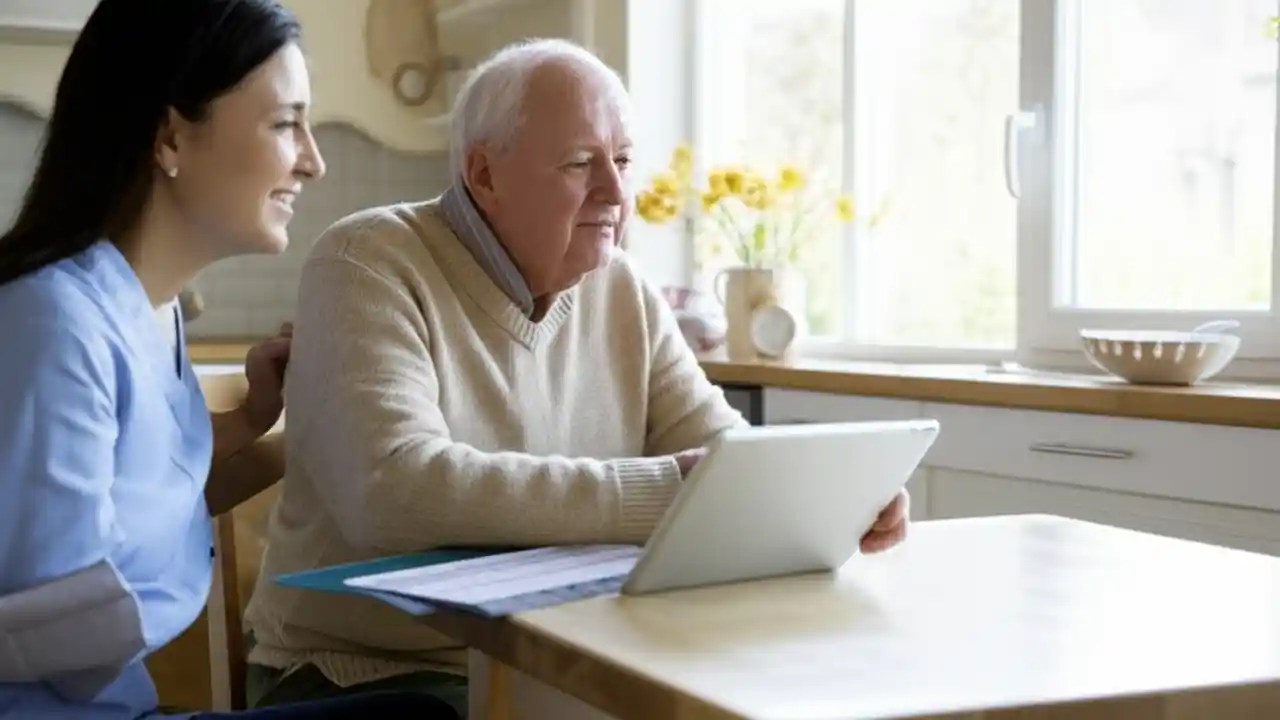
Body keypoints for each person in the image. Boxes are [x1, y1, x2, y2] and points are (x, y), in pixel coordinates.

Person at [242, 37, 912, 714]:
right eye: (580, 163)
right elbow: (394, 490)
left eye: (622, 160)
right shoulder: (367, 261)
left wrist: (830, 495)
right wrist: (663, 491)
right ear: (484, 174)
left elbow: (720, 454)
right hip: (371, 677)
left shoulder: (622, 288)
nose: (617, 193)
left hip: (572, 659)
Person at [0, 1, 458, 718]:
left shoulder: (153, 310)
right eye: (285, 123)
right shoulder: (55, 325)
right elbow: (67, 612)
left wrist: (268, 420)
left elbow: (137, 498)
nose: (313, 158)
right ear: (170, 135)